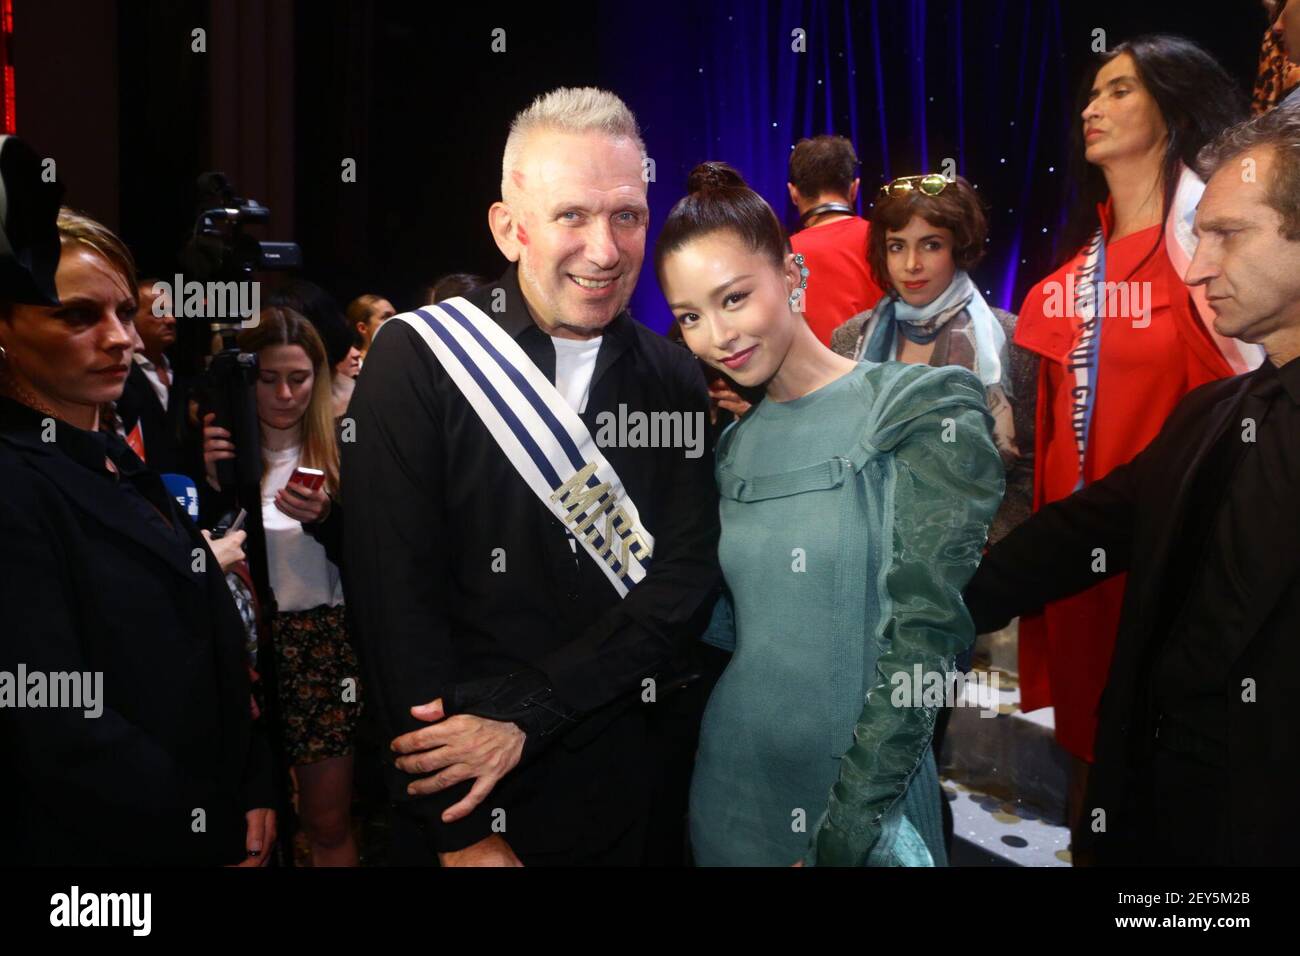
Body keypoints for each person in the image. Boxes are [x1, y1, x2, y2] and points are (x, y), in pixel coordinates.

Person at [343, 87, 720, 867]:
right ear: (509, 228)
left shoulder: (675, 378)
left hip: (632, 783)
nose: (607, 250)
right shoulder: (417, 361)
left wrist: (531, 712)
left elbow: (681, 585)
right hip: (473, 790)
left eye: (627, 215)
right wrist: (460, 830)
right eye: (572, 216)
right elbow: (393, 607)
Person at [964, 104, 1300, 866]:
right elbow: (1090, 530)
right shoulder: (1215, 413)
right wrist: (934, 608)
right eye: (1198, 233)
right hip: (1165, 804)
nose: (1200, 264)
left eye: (1229, 234)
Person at [657, 162, 1003, 866]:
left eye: (734, 298)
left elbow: (926, 648)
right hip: (729, 785)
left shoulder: (922, 407)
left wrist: (847, 833)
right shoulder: (731, 448)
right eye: (691, 316)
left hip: (860, 799)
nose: (716, 336)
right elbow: (728, 628)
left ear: (792, 275)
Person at [1010, 35, 1256, 859]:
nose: (1092, 107)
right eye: (1091, 92)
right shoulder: (1067, 278)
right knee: (1091, 781)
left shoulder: (1217, 256)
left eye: (1119, 90)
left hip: (1185, 571)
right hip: (1084, 571)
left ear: (1172, 109)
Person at [0, 208, 275, 865]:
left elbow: (206, 637)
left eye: (125, 312)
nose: (121, 337)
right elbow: (55, 721)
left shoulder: (111, 452)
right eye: (78, 316)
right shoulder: (14, 479)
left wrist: (255, 779)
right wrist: (204, 820)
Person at [202, 306, 360, 866]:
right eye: (270, 379)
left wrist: (326, 518)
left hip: (323, 647)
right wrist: (214, 485)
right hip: (244, 652)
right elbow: (204, 558)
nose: (287, 394)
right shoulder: (220, 452)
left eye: (300, 378)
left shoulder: (345, 448)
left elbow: (376, 564)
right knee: (250, 823)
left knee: (326, 820)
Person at [831, 173, 1036, 543]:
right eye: (896, 246)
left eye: (930, 245)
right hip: (866, 549)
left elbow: (1027, 470)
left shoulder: (1011, 338)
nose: (911, 264)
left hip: (974, 560)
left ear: (959, 247)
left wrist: (983, 551)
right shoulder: (849, 338)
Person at [786, 134, 885, 346]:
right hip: (889, 374)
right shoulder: (889, 241)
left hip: (814, 378)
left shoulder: (786, 255)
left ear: (793, 193)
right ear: (854, 188)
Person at [116, 276, 195, 476]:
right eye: (159, 312)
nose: (171, 319)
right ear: (131, 318)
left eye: (172, 311)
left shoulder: (185, 374)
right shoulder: (118, 376)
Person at [345, 293, 396, 361]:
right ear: (362, 328)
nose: (396, 321)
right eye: (386, 317)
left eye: (395, 316)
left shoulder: (404, 356)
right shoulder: (355, 367)